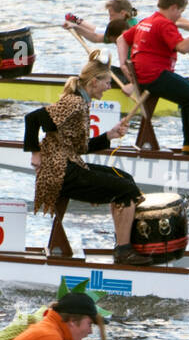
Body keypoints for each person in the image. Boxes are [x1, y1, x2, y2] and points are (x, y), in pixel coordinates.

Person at [25, 54, 149, 265]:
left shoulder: (81, 102)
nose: (109, 87)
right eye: (107, 82)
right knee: (127, 189)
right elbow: (33, 118)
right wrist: (35, 153)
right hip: (61, 173)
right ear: (94, 82)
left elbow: (79, 148)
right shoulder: (75, 102)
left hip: (68, 166)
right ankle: (124, 250)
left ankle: (122, 244)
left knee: (125, 178)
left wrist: (109, 135)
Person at [118, 0, 189, 158]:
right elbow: (183, 48)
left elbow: (121, 39)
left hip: (145, 75)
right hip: (154, 76)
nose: (179, 16)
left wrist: (123, 63)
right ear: (174, 7)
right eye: (180, 12)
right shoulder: (164, 23)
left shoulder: (148, 20)